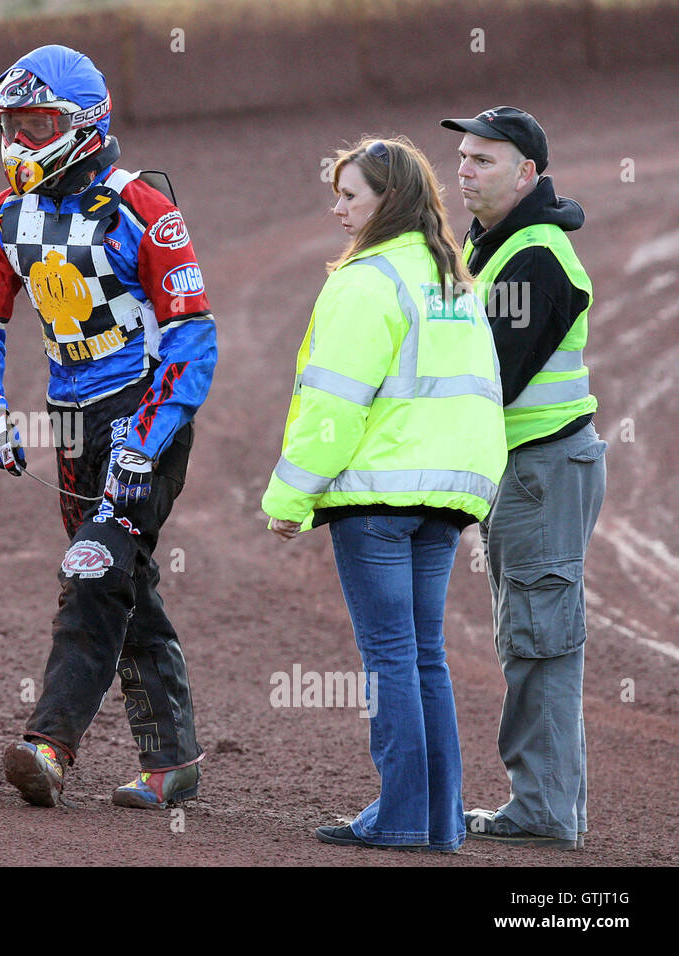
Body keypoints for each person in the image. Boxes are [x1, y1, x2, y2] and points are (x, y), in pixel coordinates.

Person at [0, 45, 217, 809]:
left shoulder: (145, 210)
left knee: (94, 571)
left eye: (38, 123)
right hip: (70, 416)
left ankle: (48, 746)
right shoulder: (4, 215)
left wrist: (148, 438)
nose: (20, 141)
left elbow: (193, 336)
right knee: (122, 579)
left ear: (85, 123)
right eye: (12, 124)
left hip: (142, 406)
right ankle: (173, 761)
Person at [261, 136, 507, 851]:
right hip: (445, 500)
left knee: (392, 657)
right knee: (424, 654)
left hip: (375, 499)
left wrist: (290, 498)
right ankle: (438, 823)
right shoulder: (452, 281)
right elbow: (479, 397)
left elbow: (335, 405)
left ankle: (400, 817)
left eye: (350, 196)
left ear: (386, 200)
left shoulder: (366, 282)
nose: (337, 209)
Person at [441, 107, 607, 850]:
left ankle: (542, 812)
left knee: (540, 640)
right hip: (534, 470)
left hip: (542, 471)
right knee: (535, 637)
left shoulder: (534, 257)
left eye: (483, 159)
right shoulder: (499, 245)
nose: (465, 169)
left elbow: (491, 381)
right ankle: (545, 804)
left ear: (527, 174)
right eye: (464, 157)